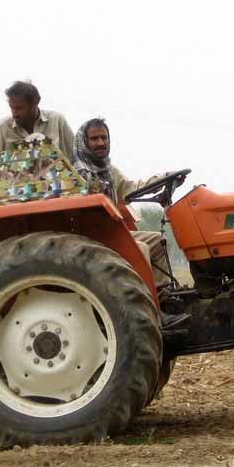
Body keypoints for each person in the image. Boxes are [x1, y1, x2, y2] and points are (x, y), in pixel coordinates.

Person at [72, 118, 189, 329]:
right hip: (92, 238)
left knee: (157, 241)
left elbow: (130, 188)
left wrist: (163, 178)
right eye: (94, 139)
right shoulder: (78, 174)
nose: (100, 143)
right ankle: (151, 312)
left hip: (112, 234)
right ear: (84, 142)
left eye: (104, 138)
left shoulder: (108, 170)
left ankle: (165, 298)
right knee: (140, 248)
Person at [0, 81, 76, 180]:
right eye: (12, 108)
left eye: (19, 108)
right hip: (16, 192)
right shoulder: (2, 128)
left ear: (35, 103)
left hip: (58, 189)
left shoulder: (57, 120)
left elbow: (75, 156)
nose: (14, 114)